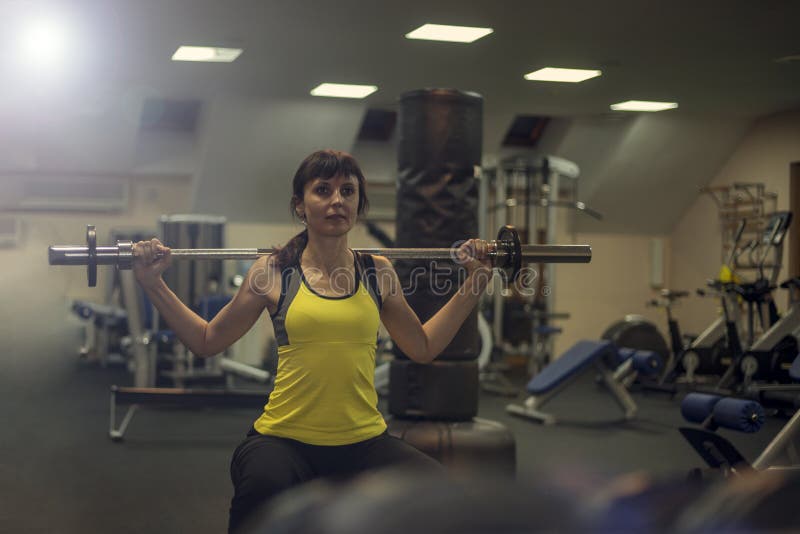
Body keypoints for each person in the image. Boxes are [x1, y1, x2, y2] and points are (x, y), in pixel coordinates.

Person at [132, 149, 492, 532]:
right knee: (261, 492)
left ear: (358, 204)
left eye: (348, 191)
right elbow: (206, 340)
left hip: (364, 441)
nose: (337, 200)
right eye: (323, 190)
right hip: (284, 440)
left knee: (438, 493)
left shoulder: (378, 272)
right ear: (300, 206)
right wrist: (153, 283)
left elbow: (422, 347)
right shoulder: (272, 271)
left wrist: (477, 281)